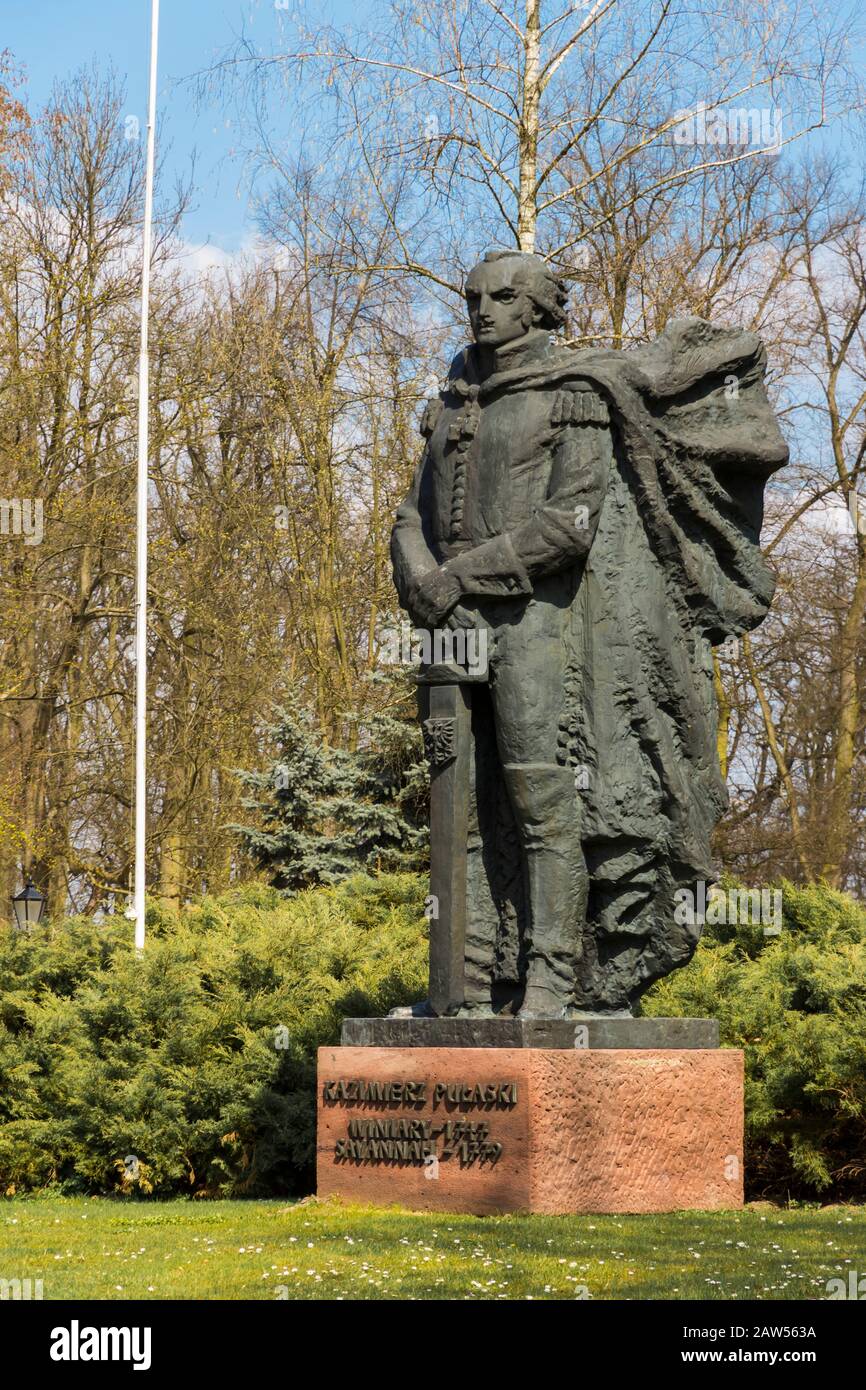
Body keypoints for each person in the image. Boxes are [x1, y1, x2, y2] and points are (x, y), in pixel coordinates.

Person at [391, 249, 787, 1017]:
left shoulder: (575, 394)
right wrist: (423, 582)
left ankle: (551, 981)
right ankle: (467, 983)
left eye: (504, 298)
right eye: (475, 297)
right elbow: (411, 513)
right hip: (450, 627)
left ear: (540, 309)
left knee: (543, 805)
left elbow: (571, 523)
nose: (483, 310)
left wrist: (460, 576)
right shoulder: (452, 402)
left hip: (537, 626)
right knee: (459, 807)